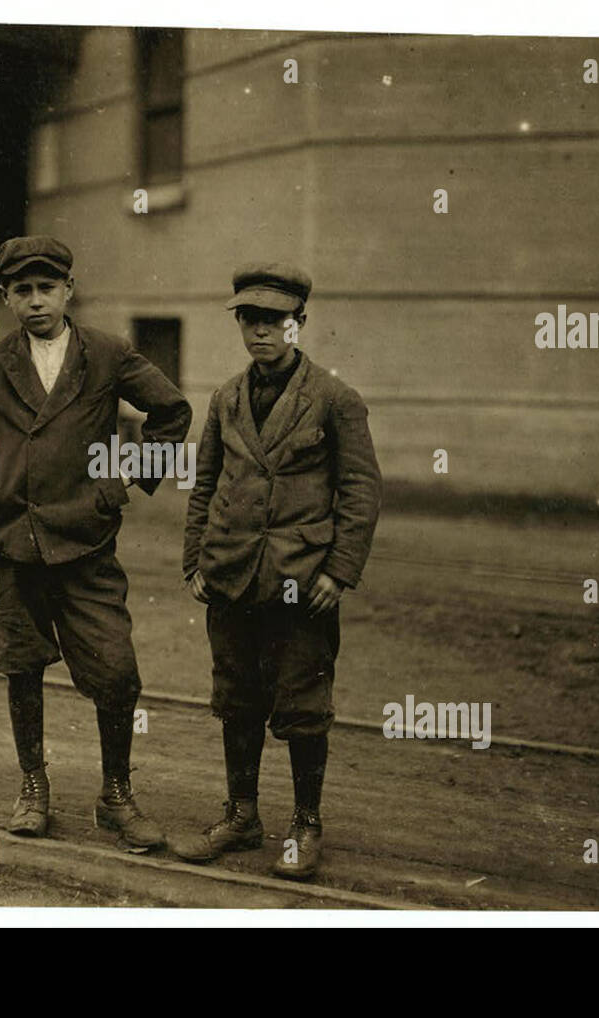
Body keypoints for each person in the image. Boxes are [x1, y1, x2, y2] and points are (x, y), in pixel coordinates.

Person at [0, 235, 191, 850]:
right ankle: (33, 786)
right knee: (22, 664)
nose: (36, 302)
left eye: (47, 289)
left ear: (68, 291)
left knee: (116, 672)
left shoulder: (107, 354)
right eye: (22, 291)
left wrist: (126, 479)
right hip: (6, 543)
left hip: (85, 541)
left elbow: (172, 410)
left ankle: (116, 796)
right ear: (7, 297)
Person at [171, 262, 381, 880]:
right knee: (236, 699)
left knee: (303, 704)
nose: (261, 332)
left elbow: (362, 491)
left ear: (299, 324)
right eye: (250, 320)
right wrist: (195, 561)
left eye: (275, 321)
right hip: (232, 576)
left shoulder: (335, 400)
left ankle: (306, 823)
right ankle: (241, 816)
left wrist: (337, 573)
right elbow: (204, 483)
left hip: (300, 584)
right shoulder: (226, 398)